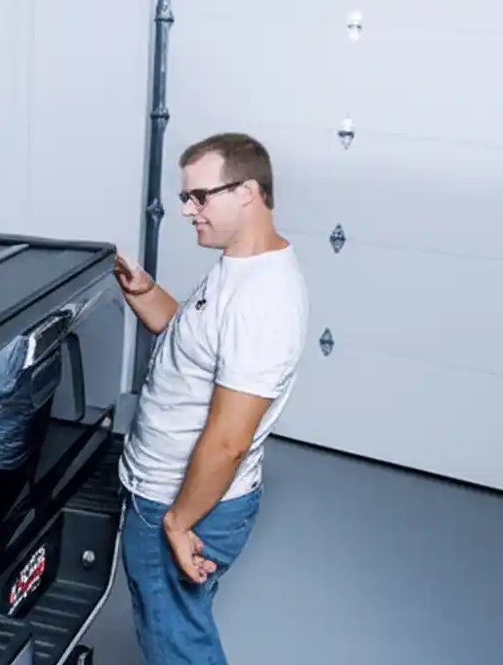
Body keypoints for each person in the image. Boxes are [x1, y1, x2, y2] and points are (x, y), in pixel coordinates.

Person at [114, 133, 309, 663]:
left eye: (200, 196)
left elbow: (228, 440)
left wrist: (176, 523)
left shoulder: (263, 299)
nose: (188, 211)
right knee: (178, 625)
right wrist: (144, 292)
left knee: (176, 642)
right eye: (186, 198)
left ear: (247, 191)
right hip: (168, 494)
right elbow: (192, 339)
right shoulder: (237, 268)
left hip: (182, 506)